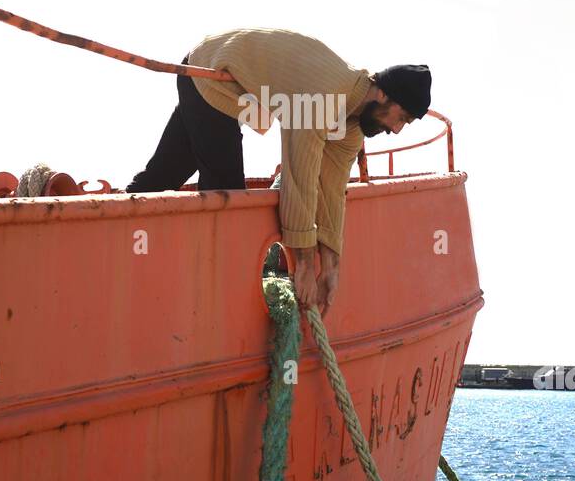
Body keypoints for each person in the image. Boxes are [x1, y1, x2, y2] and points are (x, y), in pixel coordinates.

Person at [126, 28, 431, 317]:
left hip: (239, 86)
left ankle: (122, 246)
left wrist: (331, 266)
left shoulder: (352, 122)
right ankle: (214, 297)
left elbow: (332, 189)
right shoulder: (324, 96)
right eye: (400, 117)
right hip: (211, 71)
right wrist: (304, 267)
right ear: (383, 95)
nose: (396, 129)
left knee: (162, 177)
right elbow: (300, 178)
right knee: (226, 190)